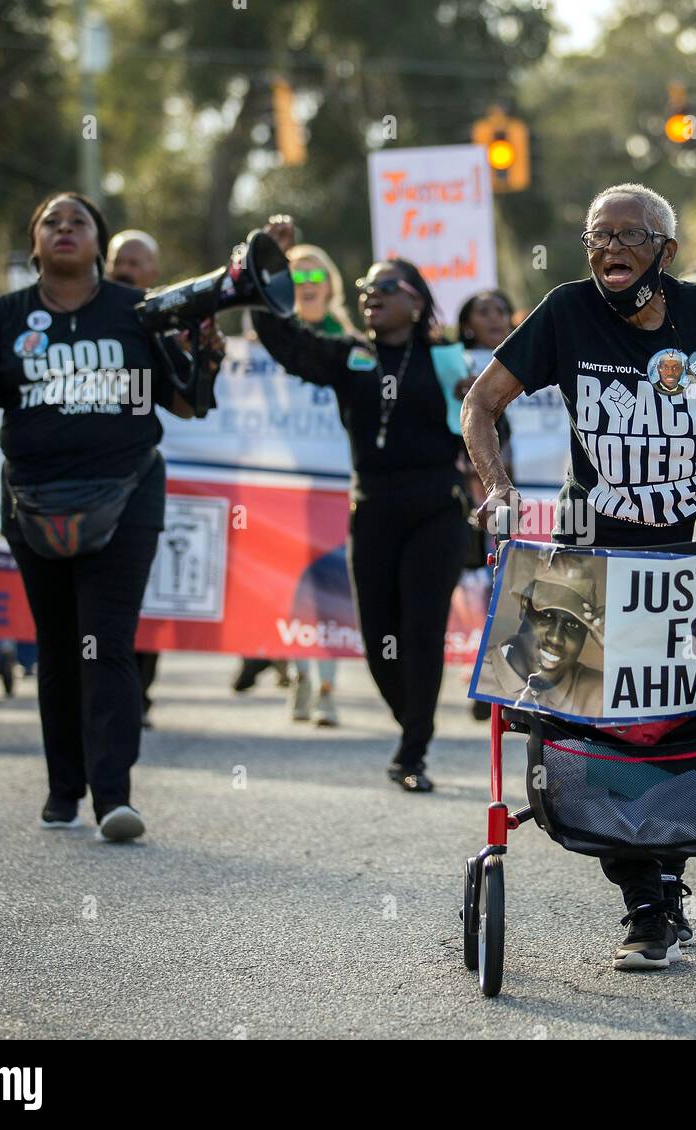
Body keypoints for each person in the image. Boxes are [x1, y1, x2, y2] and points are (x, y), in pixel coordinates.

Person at [462, 182, 696, 971]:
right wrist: (499, 491)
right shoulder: (566, 311)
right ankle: (647, 902)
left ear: (665, 252)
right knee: (600, 725)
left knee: (684, 722)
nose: (610, 247)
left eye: (629, 235)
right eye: (597, 235)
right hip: (593, 557)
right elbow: (481, 405)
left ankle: (664, 882)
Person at [0, 191, 223, 841]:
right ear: (34, 243)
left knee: (107, 641)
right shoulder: (3, 316)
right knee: (60, 647)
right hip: (33, 501)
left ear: (100, 242)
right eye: (51, 222)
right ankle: (63, 787)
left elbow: (184, 405)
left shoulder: (137, 313)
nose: (65, 229)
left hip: (127, 496)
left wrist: (204, 353)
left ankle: (112, 798)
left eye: (79, 222)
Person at [251, 216, 469, 792]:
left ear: (417, 302)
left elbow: (489, 424)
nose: (371, 295)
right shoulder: (349, 357)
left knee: (421, 630)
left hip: (435, 510)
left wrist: (486, 463)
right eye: (366, 288)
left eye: (386, 287)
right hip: (371, 509)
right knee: (379, 638)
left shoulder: (448, 360)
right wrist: (267, 266)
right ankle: (414, 724)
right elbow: (282, 340)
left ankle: (412, 752)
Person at [276, 241, 358, 726]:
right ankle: (298, 672)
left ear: (330, 285)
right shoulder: (269, 342)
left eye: (314, 277)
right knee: (285, 585)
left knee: (327, 588)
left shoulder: (350, 342)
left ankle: (326, 686)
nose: (306, 286)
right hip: (282, 490)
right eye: (296, 278)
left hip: (333, 488)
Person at [106, 228, 163, 728]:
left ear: (154, 274)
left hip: (145, 485)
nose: (124, 269)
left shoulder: (163, 325)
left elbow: (189, 400)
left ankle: (135, 695)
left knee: (143, 594)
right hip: (87, 487)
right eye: (117, 261)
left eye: (135, 262)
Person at [456, 289, 517, 721]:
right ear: (466, 325)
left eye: (501, 310)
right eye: (483, 311)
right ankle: (479, 674)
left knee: (506, 590)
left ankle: (493, 682)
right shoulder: (452, 368)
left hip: (519, 502)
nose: (494, 318)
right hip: (465, 502)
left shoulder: (526, 365)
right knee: (475, 592)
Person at [474, 556, 604, 717]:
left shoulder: (601, 692)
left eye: (573, 625)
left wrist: (616, 648)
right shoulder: (483, 673)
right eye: (547, 615)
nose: (556, 638)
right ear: (524, 606)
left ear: (587, 632)